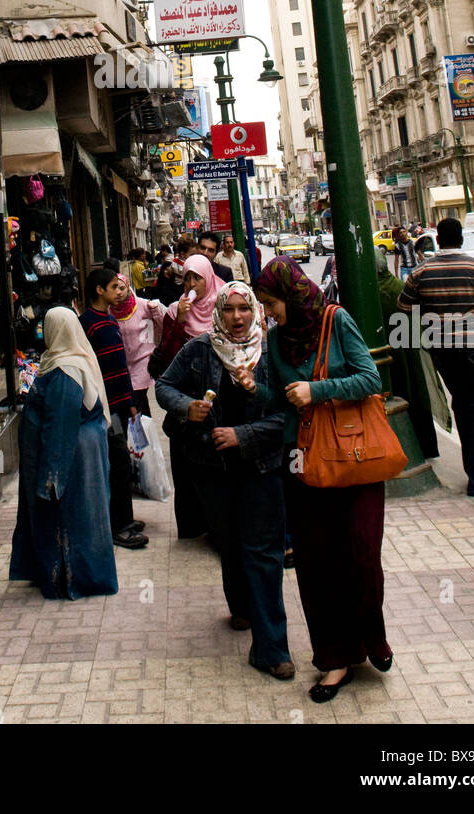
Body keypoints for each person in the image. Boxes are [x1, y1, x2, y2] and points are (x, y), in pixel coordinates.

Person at [249, 257, 392, 703]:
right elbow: (281, 403)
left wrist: (319, 390)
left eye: (271, 303)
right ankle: (334, 659)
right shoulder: (274, 341)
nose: (267, 312)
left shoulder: (336, 319)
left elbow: (370, 378)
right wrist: (259, 390)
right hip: (302, 461)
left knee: (362, 553)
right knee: (316, 564)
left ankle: (372, 638)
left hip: (353, 457)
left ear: (291, 295)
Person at [156, 282, 293, 679]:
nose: (237, 318)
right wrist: (187, 407)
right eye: (229, 309)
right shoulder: (200, 348)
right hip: (211, 470)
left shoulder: (271, 352)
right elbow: (164, 385)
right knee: (230, 547)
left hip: (262, 468)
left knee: (264, 555)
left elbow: (288, 414)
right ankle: (241, 608)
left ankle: (272, 650)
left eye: (244, 309)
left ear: (255, 311)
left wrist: (242, 435)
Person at [9, 306, 118, 599]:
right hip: (82, 454)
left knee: (72, 519)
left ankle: (73, 580)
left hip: (72, 459)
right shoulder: (71, 362)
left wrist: (51, 477)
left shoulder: (64, 371)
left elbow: (59, 424)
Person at [397, 218, 474, 497]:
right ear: (461, 239)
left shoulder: (421, 272)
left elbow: (404, 307)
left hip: (442, 349)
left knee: (463, 407)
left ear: (439, 240)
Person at [149, 255, 224, 539]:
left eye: (197, 278)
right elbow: (166, 359)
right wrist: (179, 321)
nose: (191, 284)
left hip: (218, 402)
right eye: (188, 278)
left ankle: (217, 527)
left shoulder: (225, 304)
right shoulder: (173, 311)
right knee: (186, 468)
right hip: (186, 403)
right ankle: (194, 527)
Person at [79, 268, 148, 549]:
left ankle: (124, 518)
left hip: (118, 405)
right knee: (117, 462)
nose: (119, 292)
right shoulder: (89, 323)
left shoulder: (107, 319)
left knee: (119, 461)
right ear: (99, 290)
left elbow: (120, 367)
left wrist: (129, 402)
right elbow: (97, 370)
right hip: (104, 407)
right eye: (113, 287)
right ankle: (118, 526)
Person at [375, 247, 443, 457]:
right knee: (415, 390)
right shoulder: (398, 287)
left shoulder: (371, 292)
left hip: (386, 356)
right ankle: (425, 446)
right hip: (410, 350)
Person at [110, 275, 165, 416]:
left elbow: (163, 325)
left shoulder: (143, 305)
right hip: (124, 363)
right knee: (135, 402)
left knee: (137, 396)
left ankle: (144, 426)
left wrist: (156, 311)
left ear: (128, 288)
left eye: (122, 288)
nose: (119, 292)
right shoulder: (109, 311)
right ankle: (144, 429)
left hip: (144, 359)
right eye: (115, 288)